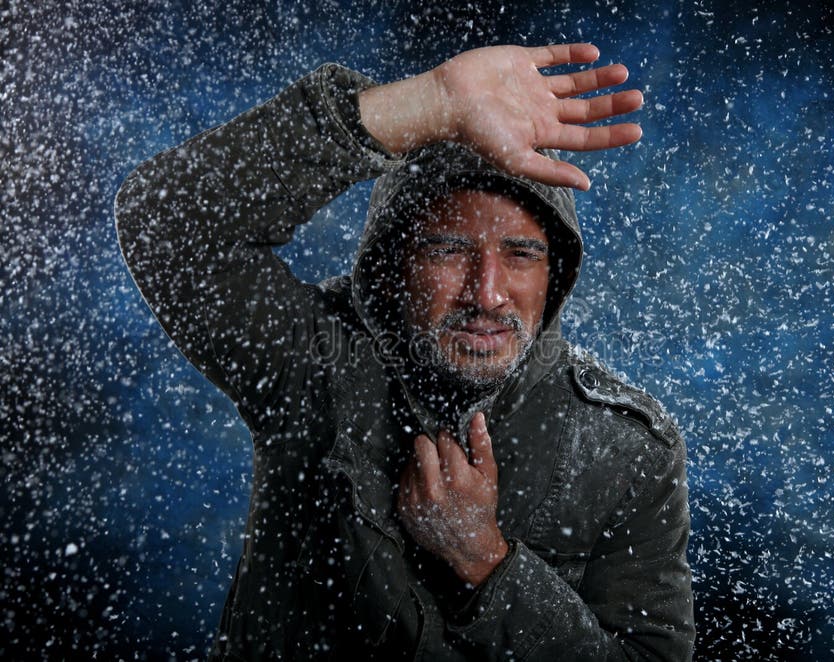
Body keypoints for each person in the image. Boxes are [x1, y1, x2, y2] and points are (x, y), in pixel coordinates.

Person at [115, 43, 694, 660]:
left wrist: (487, 563)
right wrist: (425, 106)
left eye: (521, 254)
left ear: (557, 270)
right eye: (448, 251)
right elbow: (168, 220)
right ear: (391, 263)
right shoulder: (315, 358)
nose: (489, 293)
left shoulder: (627, 450)